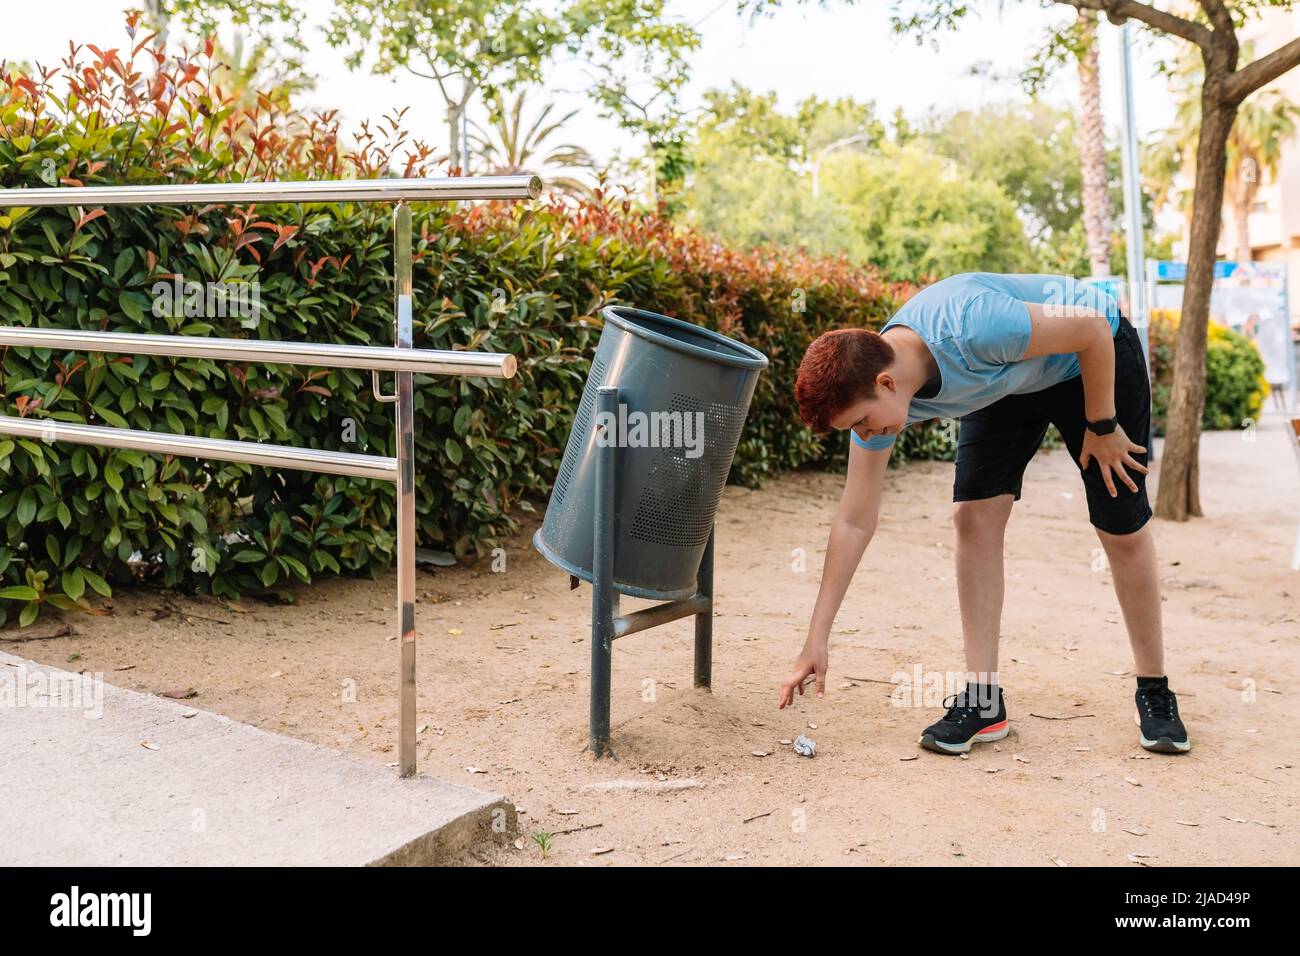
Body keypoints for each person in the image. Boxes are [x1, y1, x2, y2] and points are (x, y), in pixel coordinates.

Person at [776, 272, 1191, 755]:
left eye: (862, 423)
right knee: (973, 517)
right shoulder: (877, 393)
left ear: (886, 383)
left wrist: (1102, 424)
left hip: (1090, 354)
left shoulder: (975, 328)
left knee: (1118, 524)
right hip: (1010, 380)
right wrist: (816, 639)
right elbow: (854, 520)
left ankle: (1154, 690)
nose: (866, 435)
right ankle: (983, 700)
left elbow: (1092, 329)